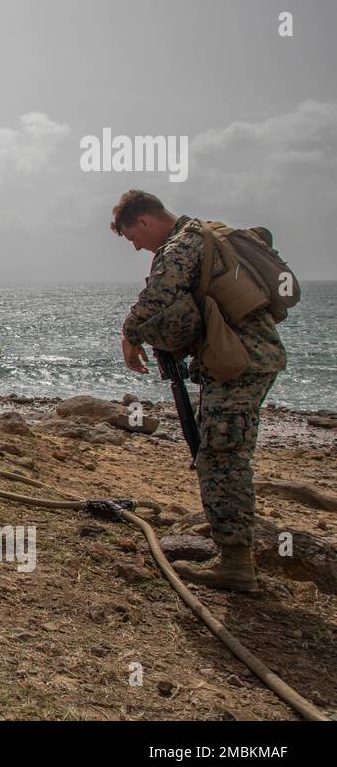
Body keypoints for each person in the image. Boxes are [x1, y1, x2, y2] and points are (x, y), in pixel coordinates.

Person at [113, 189, 286, 592]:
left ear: (145, 221)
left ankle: (236, 564)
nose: (137, 246)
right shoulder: (209, 235)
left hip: (237, 363)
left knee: (221, 459)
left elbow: (159, 296)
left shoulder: (181, 245)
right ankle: (230, 542)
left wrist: (129, 334)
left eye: (133, 237)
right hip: (245, 358)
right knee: (221, 453)